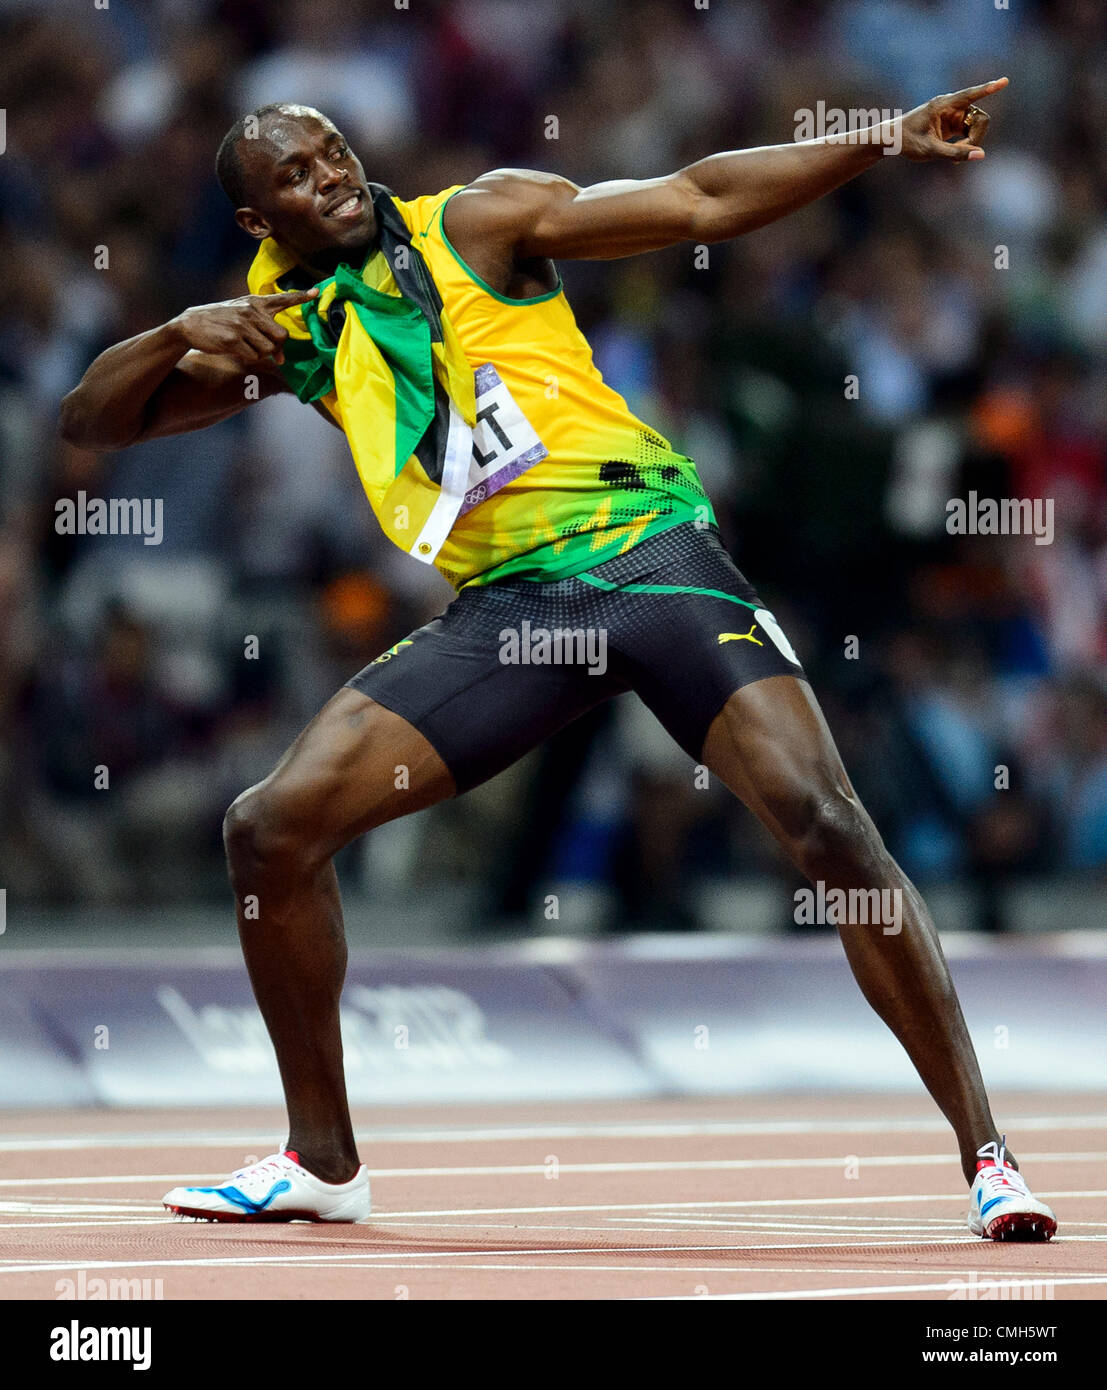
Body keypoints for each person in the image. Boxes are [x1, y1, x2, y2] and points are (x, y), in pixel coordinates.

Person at [60, 86, 1056, 1241]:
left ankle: (989, 1158)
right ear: (254, 221)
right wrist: (179, 330)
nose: (329, 173)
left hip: (655, 557)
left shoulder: (482, 221)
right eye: (295, 172)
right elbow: (98, 421)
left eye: (334, 149)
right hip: (513, 608)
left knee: (827, 824)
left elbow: (698, 198)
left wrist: (876, 137)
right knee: (268, 830)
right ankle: (321, 1159)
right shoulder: (292, 333)